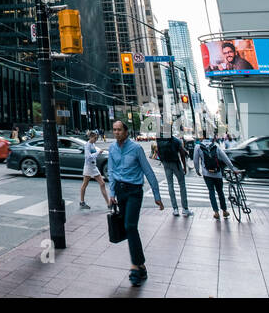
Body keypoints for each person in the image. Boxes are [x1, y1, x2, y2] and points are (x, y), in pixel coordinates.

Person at [106, 119, 164, 287]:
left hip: (134, 191)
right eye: (114, 129)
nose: (116, 132)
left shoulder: (136, 148)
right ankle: (141, 265)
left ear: (126, 131)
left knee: (131, 226)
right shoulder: (111, 148)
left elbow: (148, 170)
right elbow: (111, 170)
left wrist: (156, 194)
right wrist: (112, 193)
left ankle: (134, 267)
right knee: (127, 227)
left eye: (119, 130)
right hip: (120, 190)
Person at [193, 131, 240, 219]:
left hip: (207, 173)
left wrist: (197, 170)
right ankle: (225, 211)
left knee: (211, 192)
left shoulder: (198, 147)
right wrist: (233, 169)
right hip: (217, 173)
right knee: (220, 192)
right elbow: (225, 158)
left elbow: (195, 160)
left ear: (202, 137)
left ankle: (216, 212)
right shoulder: (216, 146)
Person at [153, 129, 192, 217]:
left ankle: (175, 209)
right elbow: (182, 154)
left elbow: (158, 152)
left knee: (170, 185)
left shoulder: (160, 141)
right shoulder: (176, 141)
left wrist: (163, 162)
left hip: (166, 164)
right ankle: (185, 209)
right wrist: (184, 167)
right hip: (176, 164)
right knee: (182, 185)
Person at [79, 130, 111, 210]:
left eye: (96, 138)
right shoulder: (87, 145)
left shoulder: (92, 144)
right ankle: (82, 202)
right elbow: (88, 156)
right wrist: (98, 153)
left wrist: (99, 152)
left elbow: (92, 155)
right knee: (85, 184)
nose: (96, 140)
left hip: (93, 166)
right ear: (90, 137)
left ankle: (108, 203)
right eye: (95, 138)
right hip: (89, 166)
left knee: (102, 183)